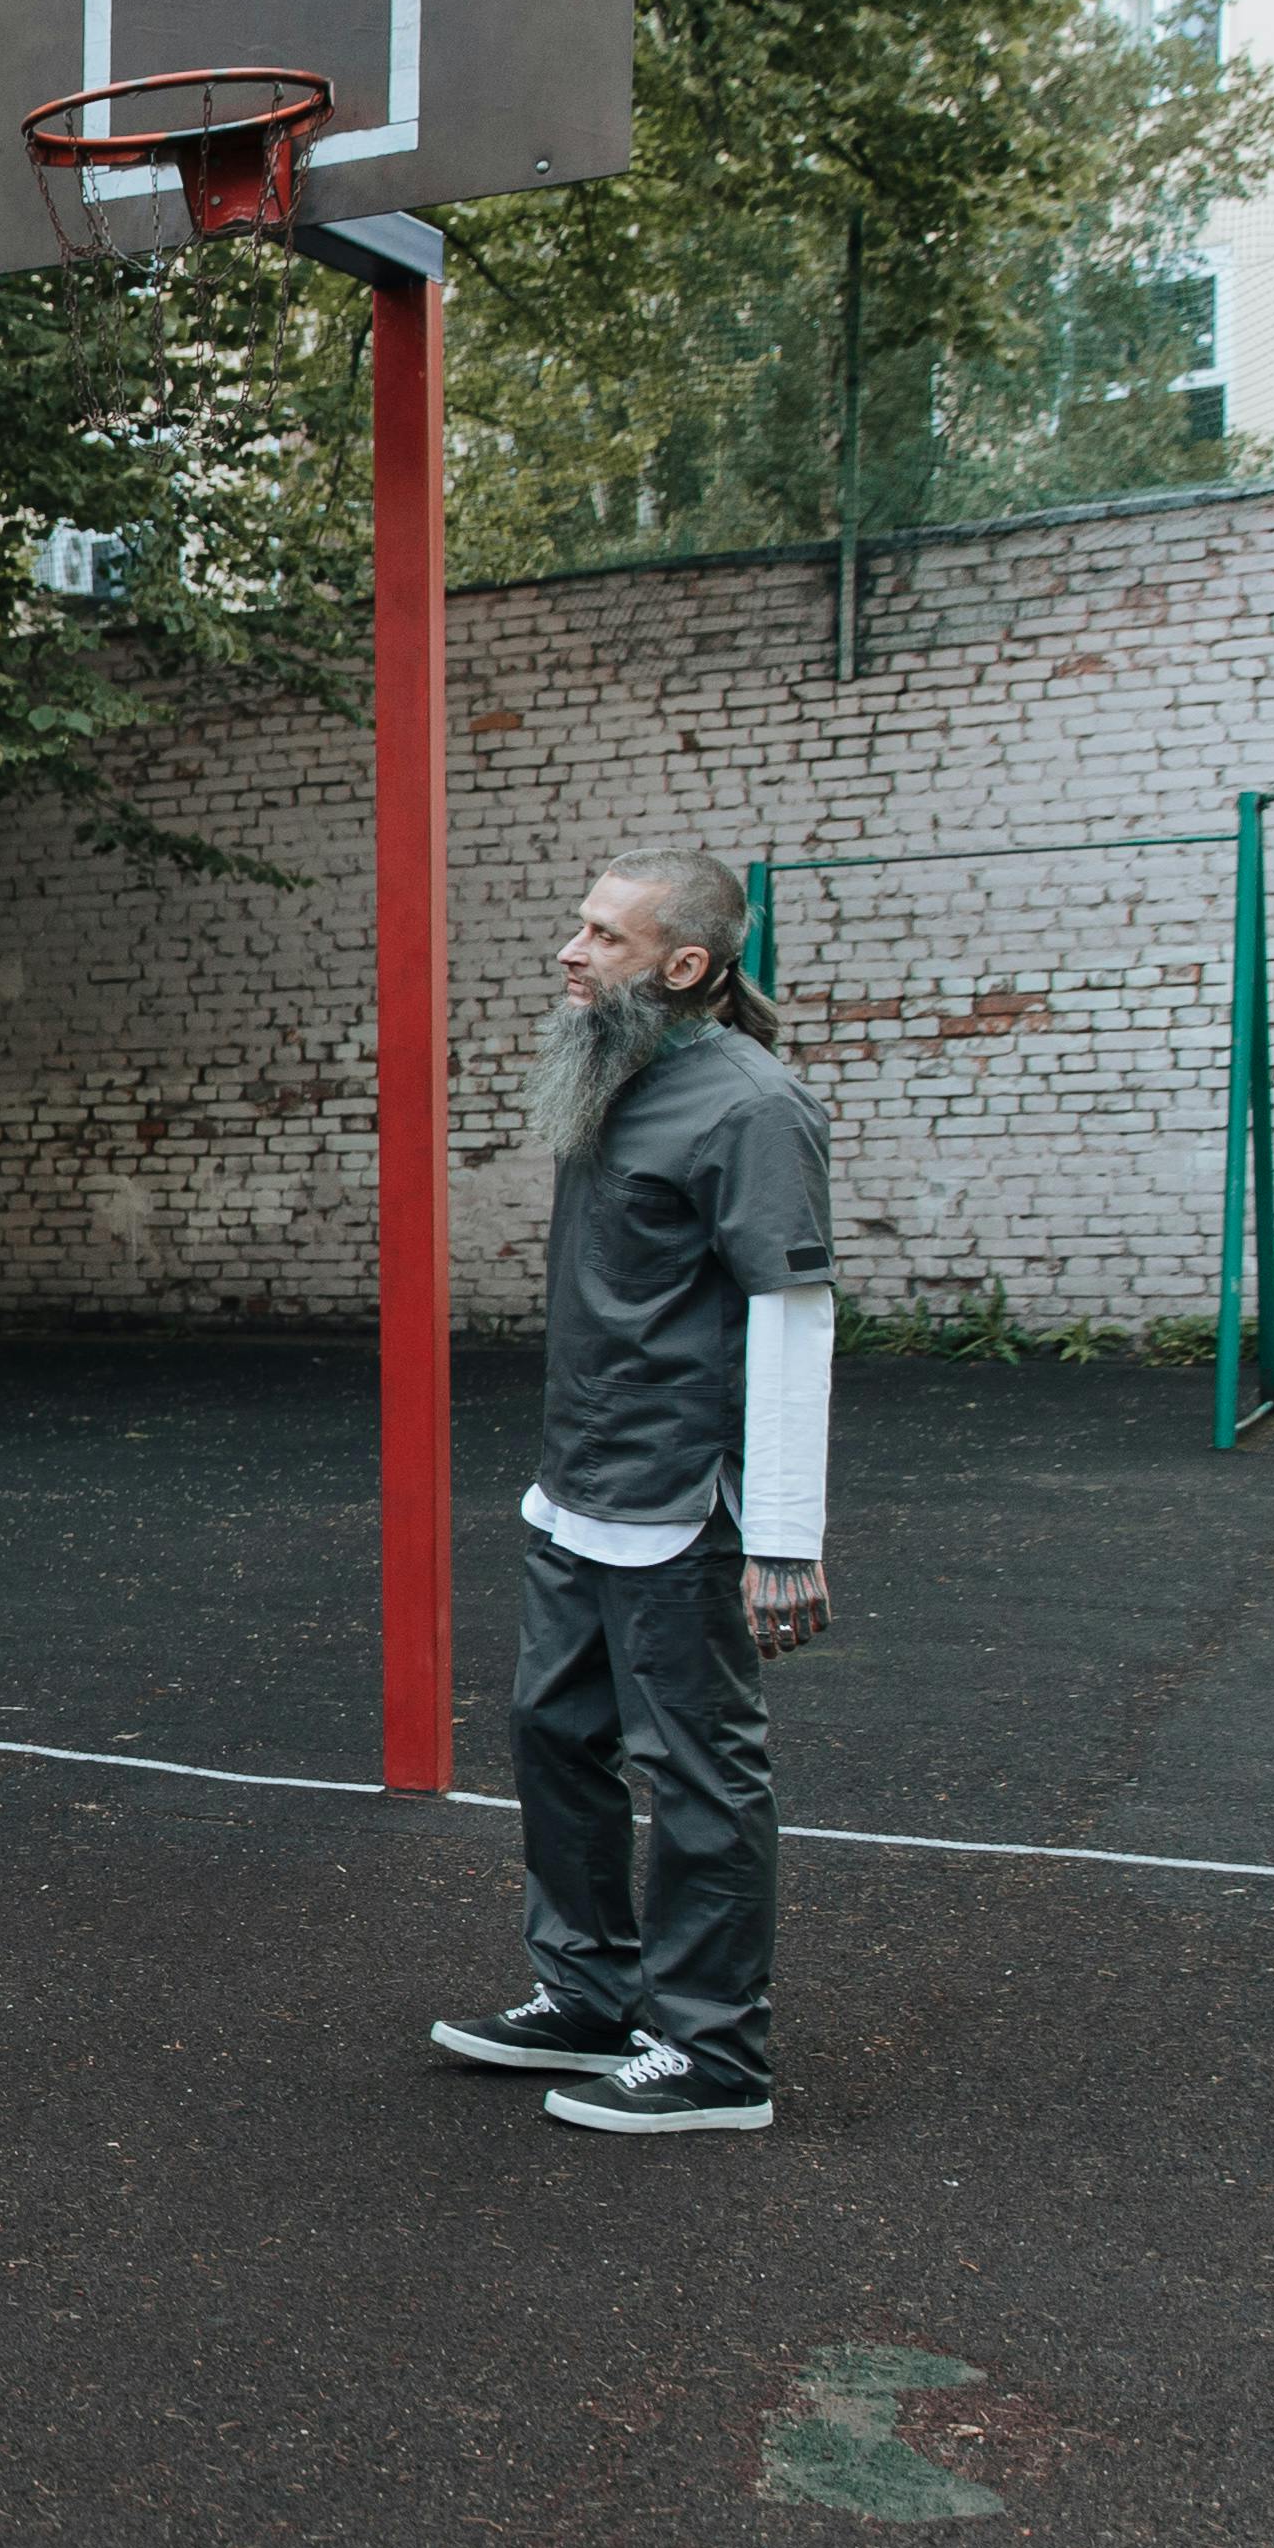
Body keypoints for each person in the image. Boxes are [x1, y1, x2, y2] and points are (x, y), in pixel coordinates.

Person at [430, 854, 836, 2135]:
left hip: (680, 1499)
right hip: (578, 1487)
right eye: (578, 925)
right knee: (552, 1735)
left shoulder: (751, 1106)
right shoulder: (614, 1069)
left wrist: (781, 1534)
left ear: (682, 964)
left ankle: (712, 2057)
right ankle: (588, 1994)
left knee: (701, 1775)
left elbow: (790, 1316)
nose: (569, 947)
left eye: (603, 934)